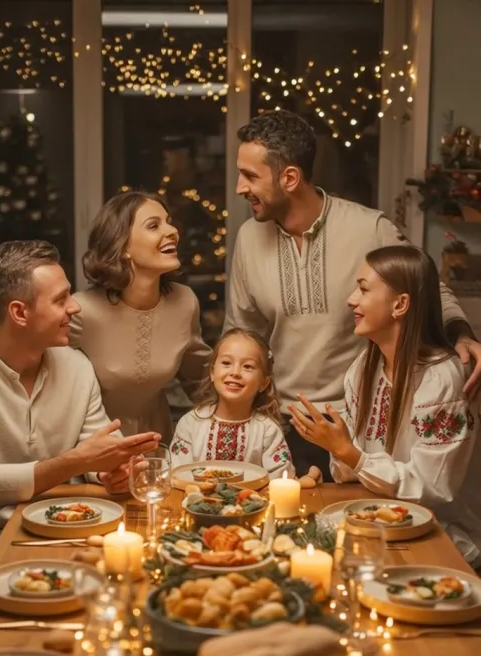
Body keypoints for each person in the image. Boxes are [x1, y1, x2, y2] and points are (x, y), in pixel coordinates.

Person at [224, 109, 481, 478]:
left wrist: (461, 332)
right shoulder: (249, 238)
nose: (239, 187)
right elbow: (242, 332)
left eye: (250, 175)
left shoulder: (369, 228)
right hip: (276, 423)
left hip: (353, 426)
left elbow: (427, 288)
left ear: (290, 178)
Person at [0, 240, 161, 600]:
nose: (74, 307)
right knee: (35, 583)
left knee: (137, 563)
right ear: (19, 312)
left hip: (57, 518)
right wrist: (76, 462)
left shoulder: (75, 365)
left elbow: (94, 450)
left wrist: (110, 471)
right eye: (60, 299)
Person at [288, 246, 481, 564]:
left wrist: (349, 453)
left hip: (445, 542)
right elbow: (354, 470)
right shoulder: (365, 366)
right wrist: (336, 446)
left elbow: (434, 487)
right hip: (383, 527)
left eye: (363, 289)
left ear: (400, 304)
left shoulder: (442, 379)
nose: (352, 299)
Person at [69, 189, 211, 440]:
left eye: (169, 222)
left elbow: (200, 380)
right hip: (93, 448)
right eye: (154, 225)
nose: (172, 231)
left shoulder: (184, 303)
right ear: (122, 246)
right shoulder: (81, 311)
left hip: (157, 442)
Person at [170, 328, 294, 479]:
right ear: (212, 372)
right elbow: (178, 476)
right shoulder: (190, 424)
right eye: (227, 363)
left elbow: (281, 479)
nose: (235, 372)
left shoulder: (267, 431)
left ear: (264, 383)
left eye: (247, 366)